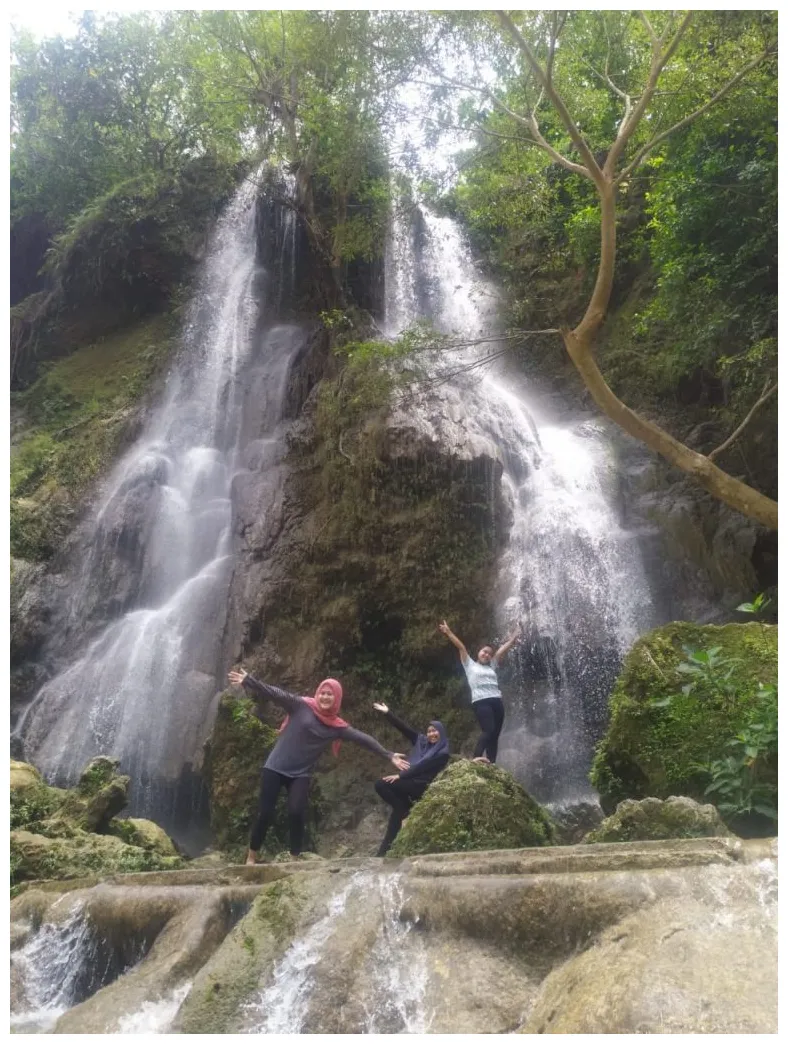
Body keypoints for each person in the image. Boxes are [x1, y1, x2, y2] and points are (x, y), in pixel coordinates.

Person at [228, 668, 410, 864]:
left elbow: (362, 739)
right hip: (275, 767)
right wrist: (250, 681)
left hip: (300, 773)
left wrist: (388, 754)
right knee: (265, 813)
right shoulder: (301, 705)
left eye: (329, 694)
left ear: (337, 698)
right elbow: (275, 693)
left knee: (297, 812)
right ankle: (252, 856)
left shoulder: (337, 726)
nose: (325, 697)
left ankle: (294, 858)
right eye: (322, 692)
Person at [371, 701, 450, 856]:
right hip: (410, 783)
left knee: (381, 784)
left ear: (441, 733)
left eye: (435, 731)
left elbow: (423, 766)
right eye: (429, 731)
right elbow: (405, 729)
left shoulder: (443, 752)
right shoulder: (422, 742)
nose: (432, 734)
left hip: (422, 786)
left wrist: (400, 775)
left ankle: (405, 808)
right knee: (396, 815)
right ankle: (381, 856)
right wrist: (388, 713)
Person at [438, 619, 521, 764]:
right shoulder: (469, 664)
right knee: (488, 730)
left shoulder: (492, 666)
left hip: (497, 702)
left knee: (494, 735)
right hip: (481, 702)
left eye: (489, 653)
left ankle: (491, 763)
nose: (487, 655)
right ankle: (476, 758)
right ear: (478, 652)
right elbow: (461, 647)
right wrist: (449, 632)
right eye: (484, 651)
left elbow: (502, 650)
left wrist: (513, 639)